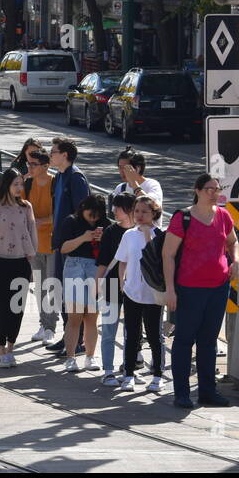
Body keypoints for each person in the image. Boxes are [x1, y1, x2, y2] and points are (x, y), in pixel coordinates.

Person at [163, 174, 239, 409]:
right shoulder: (183, 217)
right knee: (185, 340)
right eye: (209, 189)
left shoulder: (224, 216)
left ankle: (208, 391)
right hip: (189, 288)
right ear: (197, 191)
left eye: (217, 189)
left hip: (218, 287)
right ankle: (182, 393)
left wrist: (235, 260)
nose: (215, 193)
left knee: (209, 341)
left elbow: (232, 241)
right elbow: (168, 254)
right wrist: (170, 290)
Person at [0, 168, 39, 368]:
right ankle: (1, 349)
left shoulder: (26, 207)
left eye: (21, 184)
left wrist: (31, 258)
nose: (20, 188)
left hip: (21, 262)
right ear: (6, 185)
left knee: (17, 308)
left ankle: (11, 348)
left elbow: (32, 233)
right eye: (16, 184)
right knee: (1, 308)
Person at [115, 196, 168, 394]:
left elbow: (153, 256)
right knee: (131, 334)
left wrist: (147, 235)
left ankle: (157, 375)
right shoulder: (128, 235)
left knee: (155, 335)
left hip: (153, 294)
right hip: (132, 292)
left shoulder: (160, 235)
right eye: (137, 211)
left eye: (145, 211)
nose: (139, 215)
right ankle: (128, 374)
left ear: (154, 213)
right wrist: (122, 282)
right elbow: (122, 261)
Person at [53, 194, 108, 372]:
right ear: (83, 209)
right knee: (74, 316)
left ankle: (90, 357)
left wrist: (103, 240)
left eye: (97, 215)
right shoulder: (71, 221)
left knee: (92, 316)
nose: (93, 219)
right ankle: (70, 357)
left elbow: (113, 250)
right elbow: (63, 248)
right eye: (90, 214)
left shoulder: (106, 224)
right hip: (74, 265)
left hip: (96, 267)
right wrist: (83, 238)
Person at [47, 138, 90, 354]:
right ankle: (68, 337)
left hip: (73, 247)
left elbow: (84, 214)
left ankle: (78, 341)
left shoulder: (76, 178)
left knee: (73, 294)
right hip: (60, 244)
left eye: (53, 151)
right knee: (62, 292)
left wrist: (76, 242)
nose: (50, 155)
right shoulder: (60, 176)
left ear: (65, 155)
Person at [96, 193, 136, 385]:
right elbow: (103, 261)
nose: (113, 210)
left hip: (134, 287)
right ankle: (108, 371)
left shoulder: (140, 231)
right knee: (109, 329)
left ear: (129, 209)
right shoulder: (111, 232)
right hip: (111, 284)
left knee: (132, 331)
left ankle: (129, 370)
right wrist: (97, 284)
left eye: (117, 207)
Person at [23, 151, 57, 343]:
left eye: (33, 164)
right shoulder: (28, 184)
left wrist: (41, 220)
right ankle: (43, 324)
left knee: (51, 286)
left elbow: (60, 213)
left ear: (46, 166)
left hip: (52, 243)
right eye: (28, 164)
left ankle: (51, 327)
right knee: (39, 286)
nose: (30, 167)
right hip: (34, 243)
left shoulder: (55, 184)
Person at [111, 148, 163, 216]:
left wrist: (134, 183)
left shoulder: (152, 185)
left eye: (126, 168)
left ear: (138, 168)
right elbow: (116, 214)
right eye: (120, 167)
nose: (122, 171)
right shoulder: (120, 188)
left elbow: (153, 206)